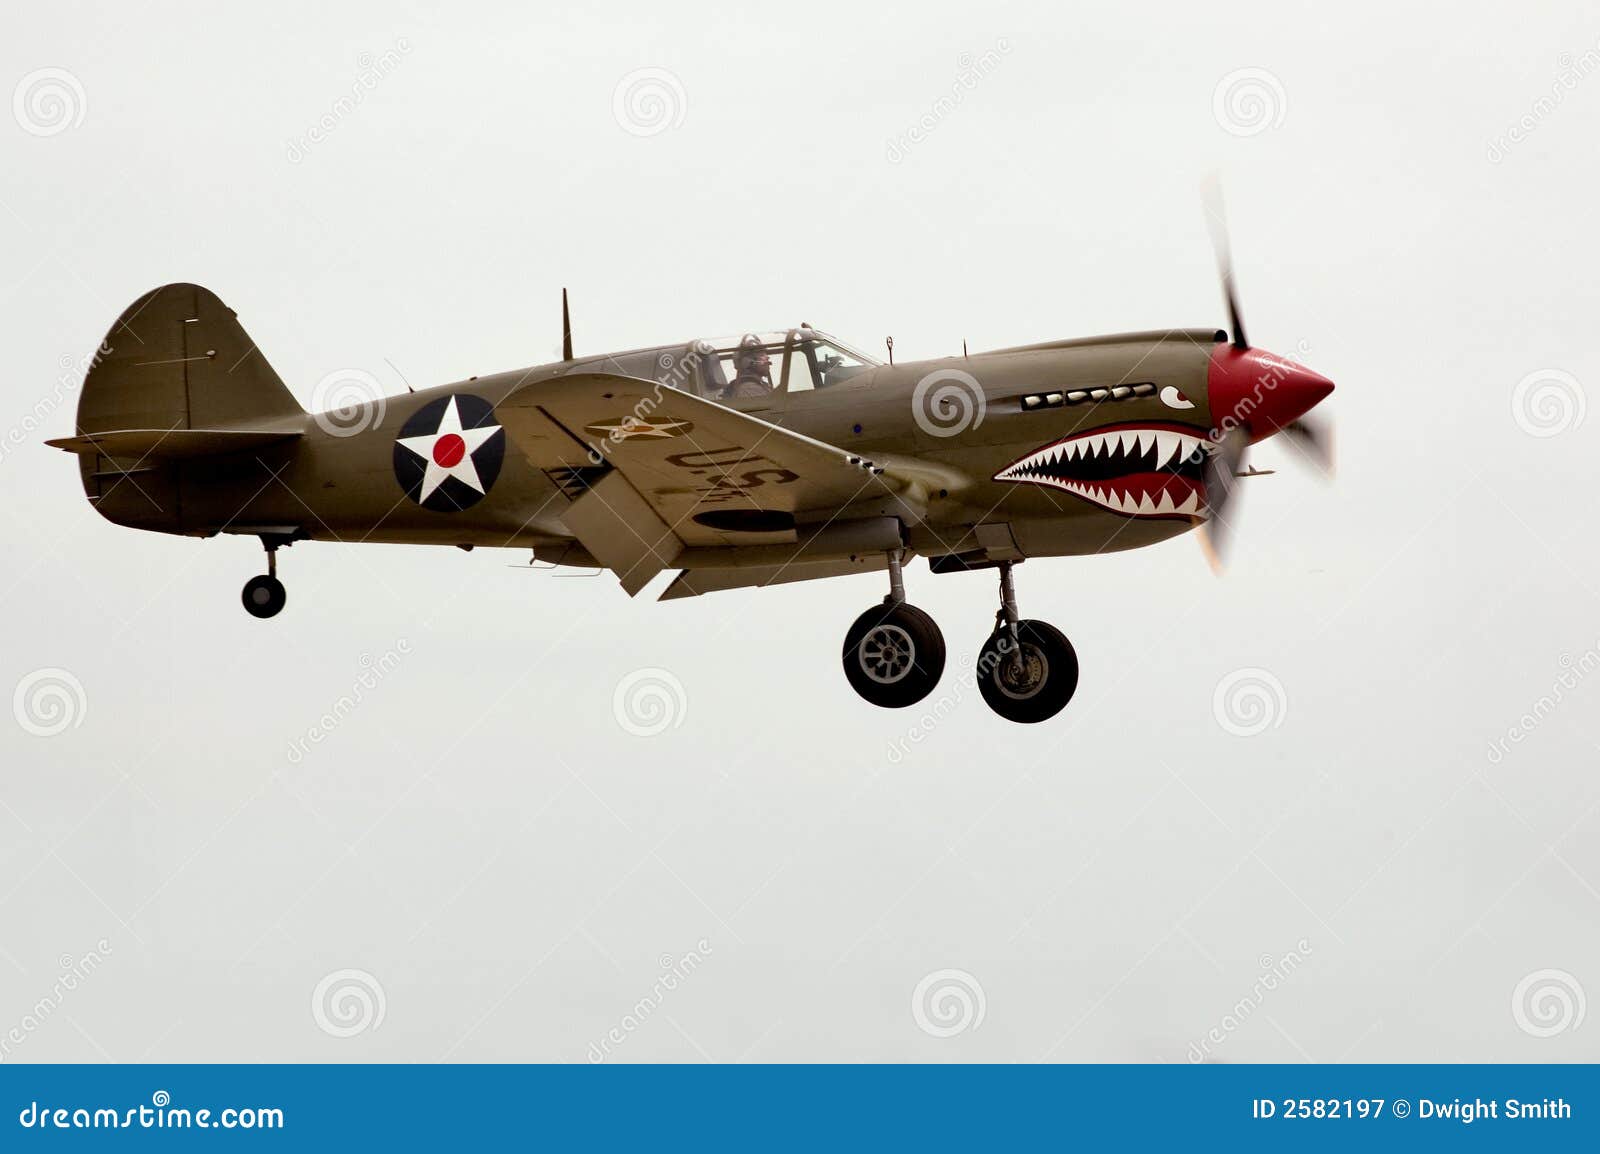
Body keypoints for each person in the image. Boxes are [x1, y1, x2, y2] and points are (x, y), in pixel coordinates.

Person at [726, 335, 774, 399]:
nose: (767, 357)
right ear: (748, 362)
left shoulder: (759, 385)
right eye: (761, 355)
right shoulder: (749, 388)